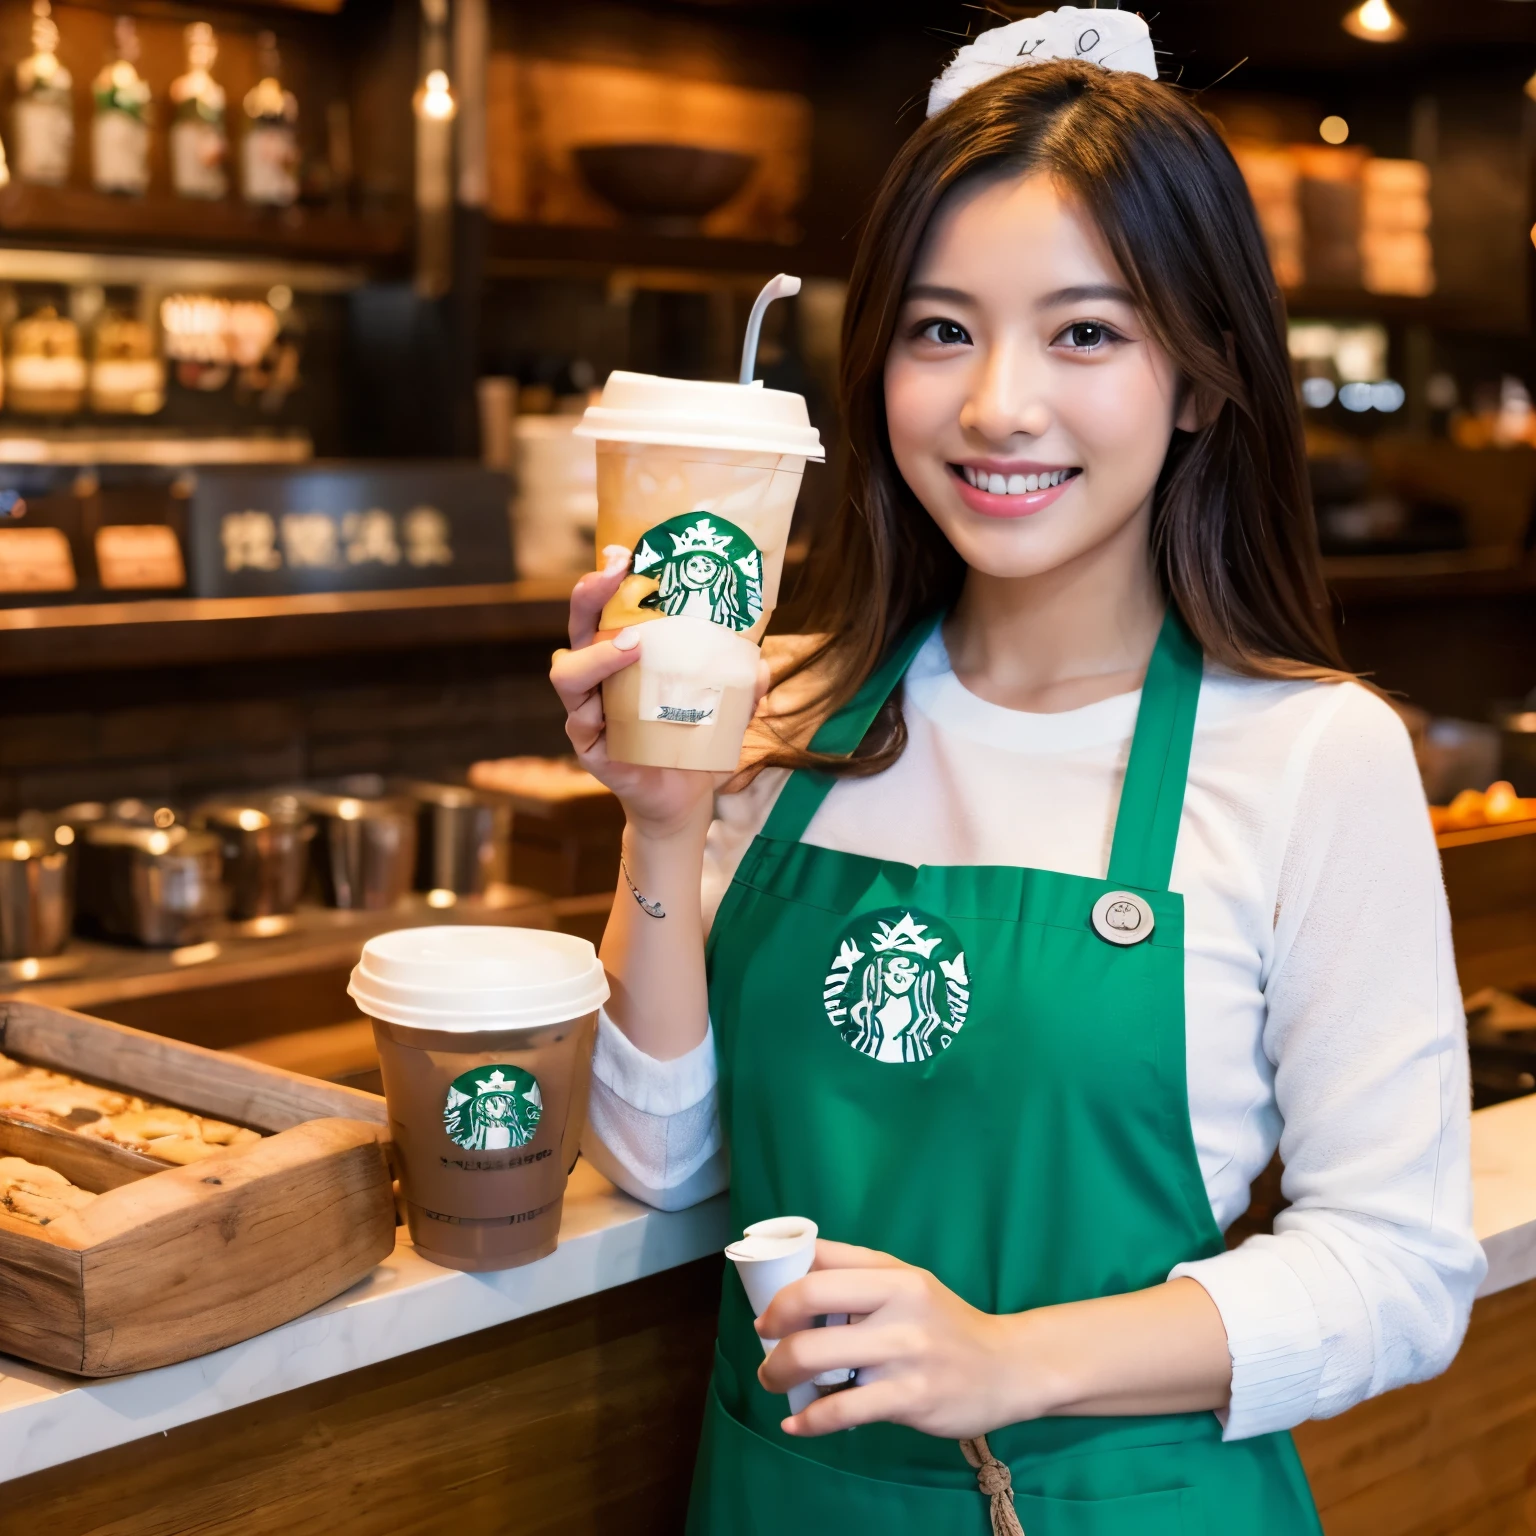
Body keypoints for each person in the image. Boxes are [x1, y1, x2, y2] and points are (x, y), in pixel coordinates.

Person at [550, 13, 1485, 1532]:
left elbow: (1400, 1270)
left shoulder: (1313, 753)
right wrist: (660, 824)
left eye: (1085, 333)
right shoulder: (786, 706)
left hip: (1132, 1500)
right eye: (941, 330)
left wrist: (1010, 1359)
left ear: (1201, 377)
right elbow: (668, 1169)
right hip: (783, 1498)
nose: (996, 404)